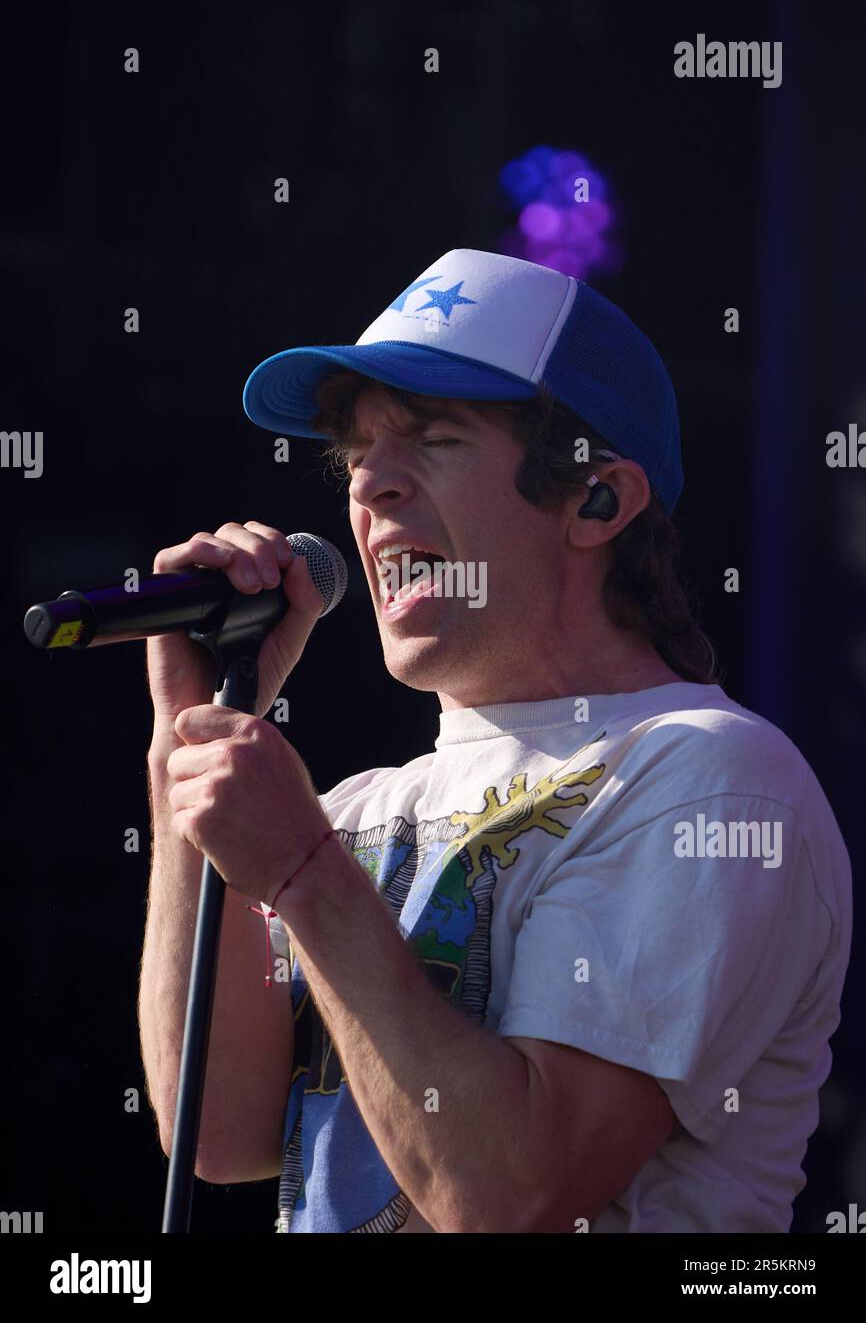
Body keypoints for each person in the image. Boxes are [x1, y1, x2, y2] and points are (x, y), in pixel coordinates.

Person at [139, 248, 852, 1233]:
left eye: (430, 439)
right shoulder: (353, 809)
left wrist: (304, 874)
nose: (368, 487)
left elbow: (505, 1195)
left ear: (596, 499)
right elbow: (217, 1132)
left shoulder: (709, 780)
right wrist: (183, 745)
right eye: (353, 452)